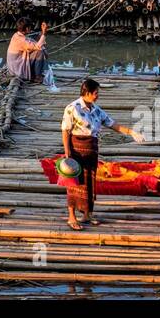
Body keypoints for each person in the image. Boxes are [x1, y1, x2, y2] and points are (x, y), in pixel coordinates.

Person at [61, 77, 145, 230]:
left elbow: (113, 124)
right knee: (74, 183)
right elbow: (65, 131)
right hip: (77, 150)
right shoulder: (72, 108)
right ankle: (71, 217)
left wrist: (131, 132)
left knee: (90, 182)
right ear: (86, 93)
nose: (97, 95)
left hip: (91, 149)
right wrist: (67, 154)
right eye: (95, 93)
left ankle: (87, 215)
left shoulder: (96, 109)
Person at [6, 17, 49, 82]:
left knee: (39, 50)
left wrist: (41, 37)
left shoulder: (17, 35)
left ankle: (34, 74)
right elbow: (38, 47)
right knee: (39, 52)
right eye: (30, 27)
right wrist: (44, 33)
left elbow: (35, 44)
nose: (31, 28)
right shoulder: (21, 40)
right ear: (27, 28)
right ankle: (37, 77)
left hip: (16, 65)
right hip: (17, 70)